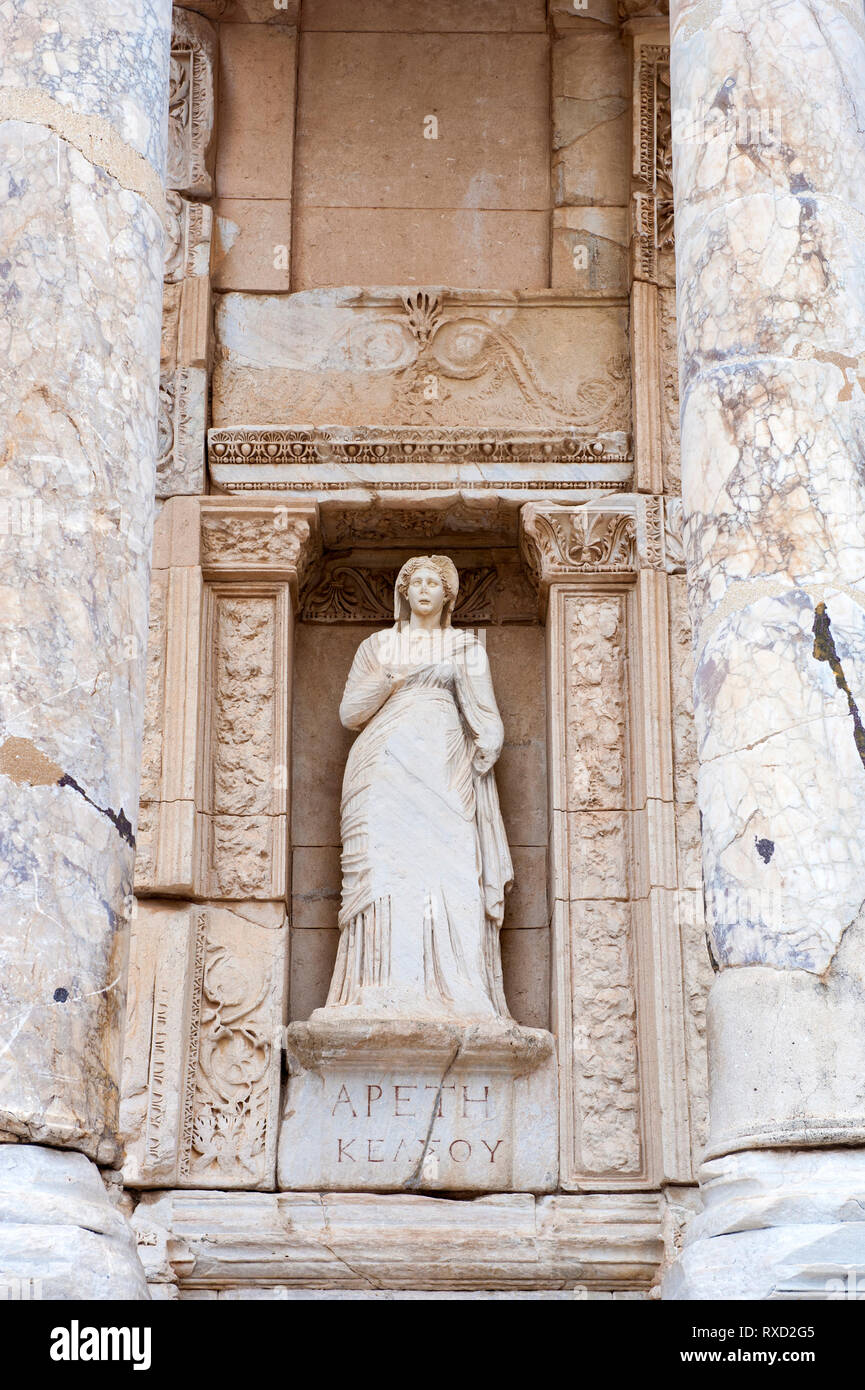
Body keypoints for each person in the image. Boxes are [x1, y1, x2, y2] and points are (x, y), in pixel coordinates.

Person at [324, 555, 513, 1020]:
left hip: (443, 768)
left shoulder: (465, 647)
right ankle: (382, 985)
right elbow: (350, 714)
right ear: (404, 593)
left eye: (434, 582)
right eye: (417, 582)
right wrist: (392, 678)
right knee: (386, 868)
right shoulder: (378, 646)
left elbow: (485, 714)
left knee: (451, 865)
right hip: (382, 766)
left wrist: (490, 740)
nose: (425, 589)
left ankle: (462, 985)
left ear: (447, 595)